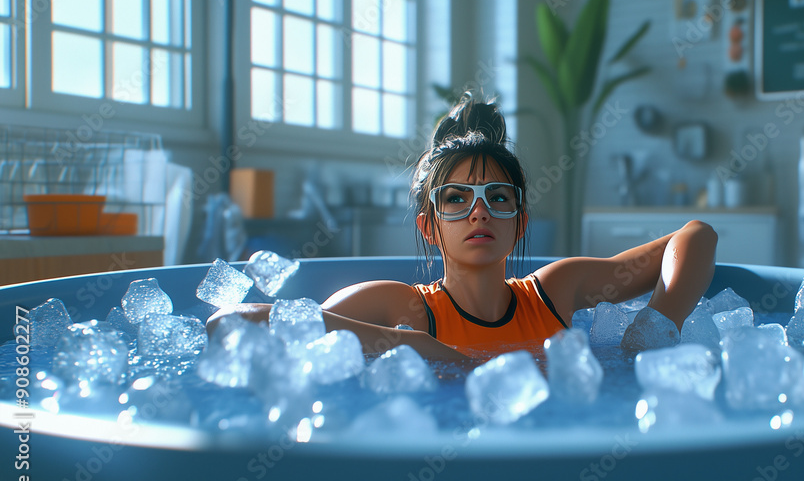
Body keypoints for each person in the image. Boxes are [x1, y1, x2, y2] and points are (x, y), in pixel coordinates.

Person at [210, 95, 717, 365]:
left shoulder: (554, 292)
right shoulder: (400, 306)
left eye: (498, 198)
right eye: (456, 200)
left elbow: (695, 236)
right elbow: (233, 321)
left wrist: (656, 326)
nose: (479, 214)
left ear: (520, 224)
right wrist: (422, 348)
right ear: (429, 227)